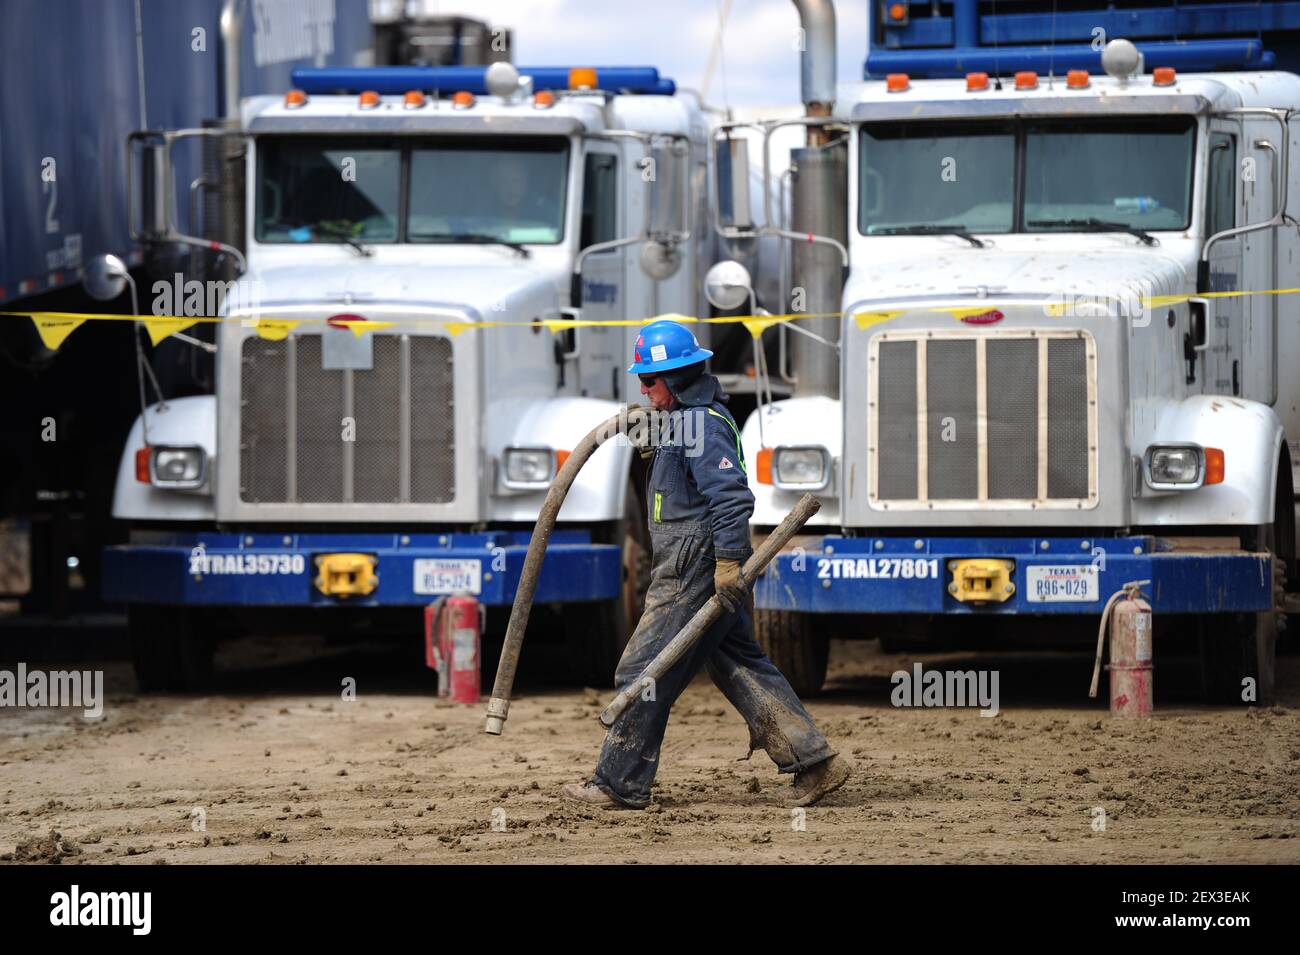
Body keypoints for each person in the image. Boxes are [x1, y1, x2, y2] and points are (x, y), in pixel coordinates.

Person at [562, 319, 851, 809]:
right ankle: (814, 762)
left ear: (676, 378)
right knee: (738, 663)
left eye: (650, 381)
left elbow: (731, 498)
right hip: (692, 561)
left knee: (643, 669)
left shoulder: (700, 425)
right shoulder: (683, 421)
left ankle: (619, 783)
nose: (643, 388)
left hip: (695, 567)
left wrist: (728, 563)